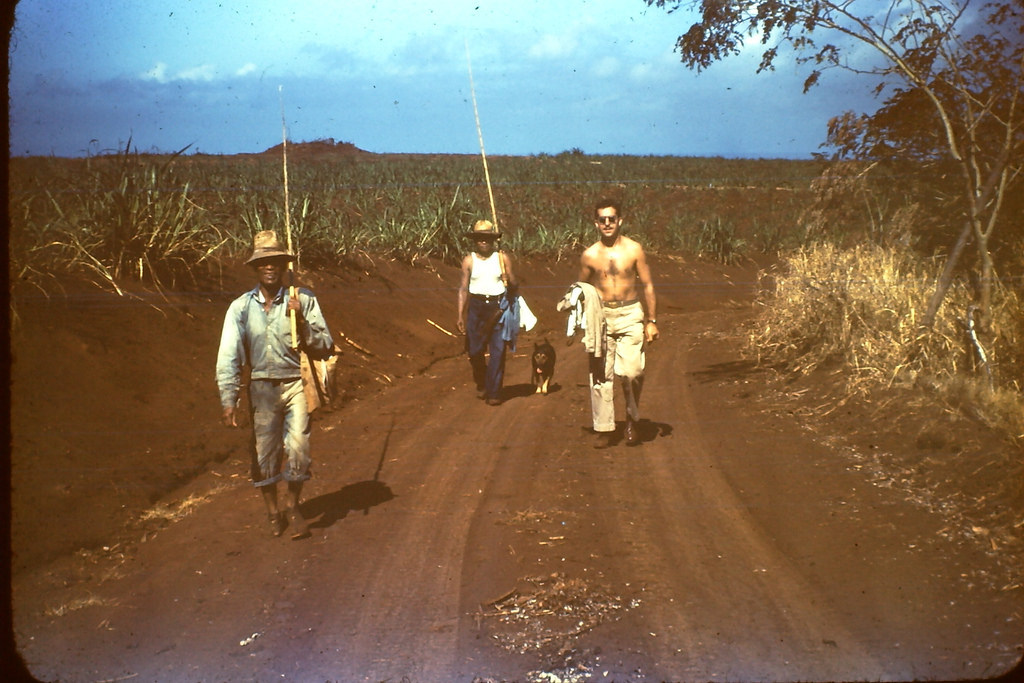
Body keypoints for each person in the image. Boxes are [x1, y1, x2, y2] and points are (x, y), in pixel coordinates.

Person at [216, 230, 335, 539]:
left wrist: (302, 321)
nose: (269, 267)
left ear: (284, 266)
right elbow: (228, 355)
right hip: (261, 388)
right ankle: (272, 512)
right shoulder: (241, 308)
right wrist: (229, 398)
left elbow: (325, 345)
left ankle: (293, 506)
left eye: (275, 262)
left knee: (299, 448)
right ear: (256, 268)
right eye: (263, 262)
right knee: (264, 454)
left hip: (296, 383)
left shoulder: (303, 299)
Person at [578, 199, 659, 448]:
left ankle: (632, 419)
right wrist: (580, 319)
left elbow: (648, 285)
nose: (607, 224)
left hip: (630, 313)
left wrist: (651, 321)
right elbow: (581, 288)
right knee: (600, 376)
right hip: (601, 316)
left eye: (611, 219)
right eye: (602, 219)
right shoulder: (589, 255)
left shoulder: (634, 250)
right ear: (596, 223)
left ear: (620, 220)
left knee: (632, 372)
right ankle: (605, 428)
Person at [456, 219, 518, 406]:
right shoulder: (469, 260)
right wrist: (460, 314)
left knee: (497, 351)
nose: (483, 241)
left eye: (487, 238)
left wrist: (508, 278)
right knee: (475, 351)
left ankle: (494, 392)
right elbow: (463, 288)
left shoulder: (502, 259)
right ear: (475, 240)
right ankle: (482, 380)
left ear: (493, 239)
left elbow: (515, 285)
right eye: (479, 238)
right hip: (476, 307)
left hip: (498, 307)